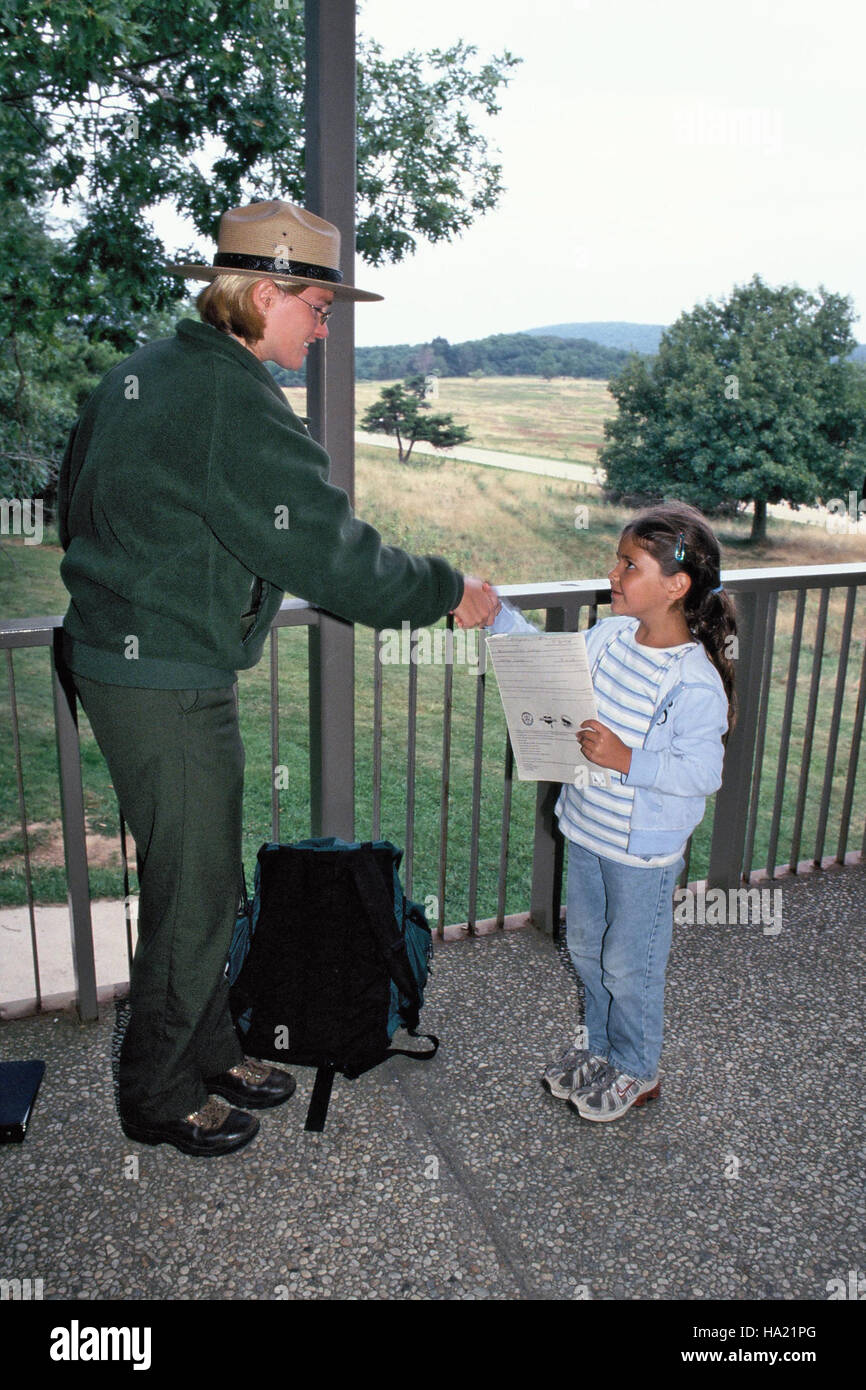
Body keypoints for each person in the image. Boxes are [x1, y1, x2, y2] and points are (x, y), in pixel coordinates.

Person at [57, 198, 498, 1157]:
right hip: (161, 678)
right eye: (320, 305)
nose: (329, 323)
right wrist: (447, 588)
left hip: (134, 659)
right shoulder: (230, 395)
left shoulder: (151, 370)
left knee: (204, 877)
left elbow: (73, 501)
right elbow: (334, 556)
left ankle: (211, 1049)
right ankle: (161, 1092)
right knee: (194, 889)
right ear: (266, 294)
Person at [487, 501, 736, 1121]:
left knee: (631, 965)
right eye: (618, 561)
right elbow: (550, 662)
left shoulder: (693, 681)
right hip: (590, 832)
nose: (614, 575)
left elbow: (704, 773)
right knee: (591, 951)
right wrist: (497, 614)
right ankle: (600, 1051)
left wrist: (629, 758)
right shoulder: (611, 636)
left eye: (630, 565)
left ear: (675, 587)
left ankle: (637, 1068)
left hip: (642, 853)